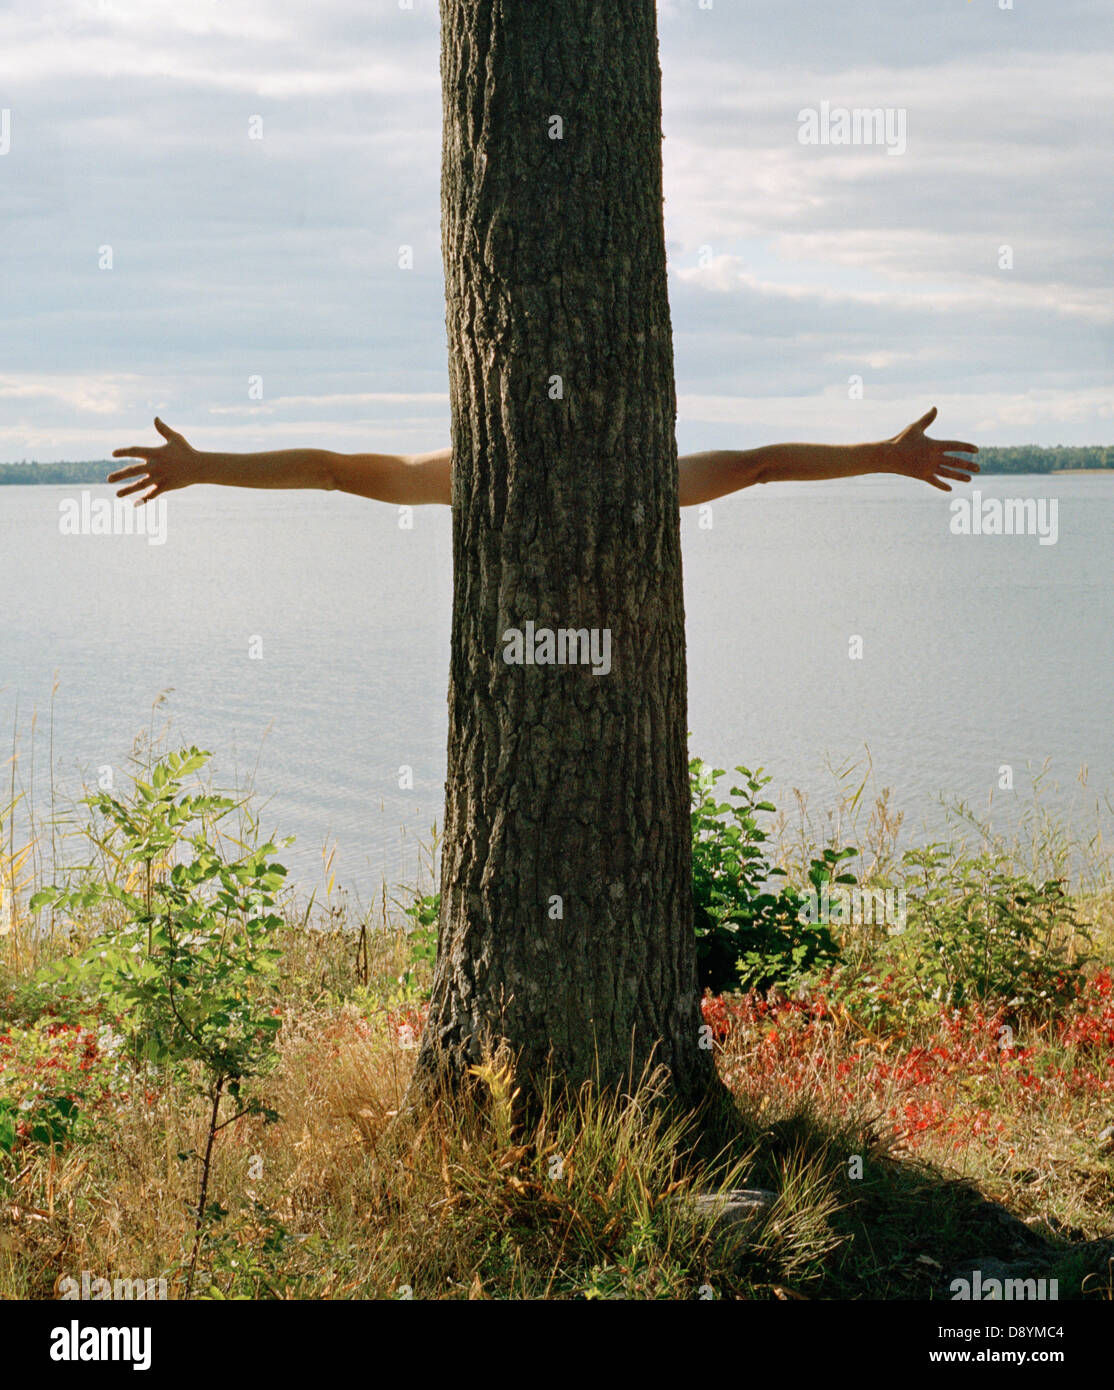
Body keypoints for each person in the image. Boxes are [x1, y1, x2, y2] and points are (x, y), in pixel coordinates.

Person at [108, 407, 977, 507]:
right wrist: (203, 465)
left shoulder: (465, 474)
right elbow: (758, 465)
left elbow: (758, 464)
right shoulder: (638, 481)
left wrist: (882, 455)